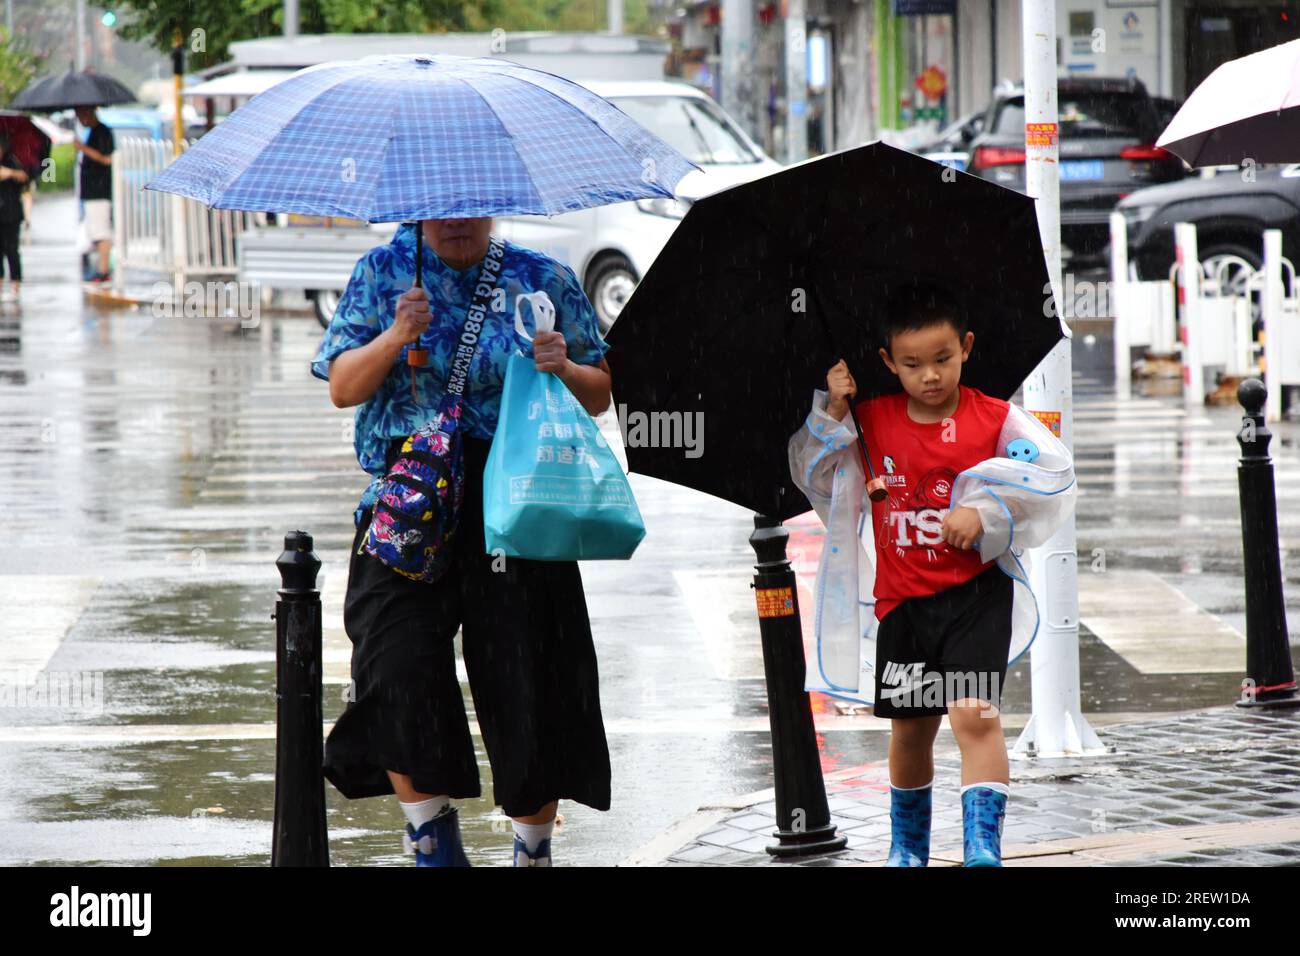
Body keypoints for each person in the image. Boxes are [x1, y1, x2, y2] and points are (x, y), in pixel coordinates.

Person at [312, 217, 614, 867]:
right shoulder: (382, 272)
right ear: (418, 210)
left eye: (471, 207)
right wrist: (397, 334)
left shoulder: (540, 277)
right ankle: (431, 836)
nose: (456, 223)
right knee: (395, 664)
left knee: (530, 677)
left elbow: (600, 391)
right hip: (412, 497)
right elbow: (343, 386)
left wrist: (561, 366)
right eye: (441, 210)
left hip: (518, 499)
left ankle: (533, 849)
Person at [788, 281, 1076, 867]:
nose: (930, 376)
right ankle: (908, 848)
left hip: (977, 596)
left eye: (943, 359)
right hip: (904, 605)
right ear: (887, 362)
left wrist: (986, 511)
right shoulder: (868, 423)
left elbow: (1049, 480)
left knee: (974, 715)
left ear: (966, 347)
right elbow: (814, 476)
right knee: (912, 730)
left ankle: (981, 848)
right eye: (912, 364)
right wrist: (834, 410)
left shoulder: (997, 419)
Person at [73, 106, 114, 283]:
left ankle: (103, 270)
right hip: (91, 192)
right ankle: (101, 269)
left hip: (99, 191)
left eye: (81, 115)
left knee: (101, 232)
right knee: (94, 232)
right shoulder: (92, 132)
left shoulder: (102, 132)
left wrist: (82, 148)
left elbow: (107, 158)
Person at [0, 132, 29, 301]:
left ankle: (15, 284)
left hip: (11, 212)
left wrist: (9, 173)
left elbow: (26, 177)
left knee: (11, 249)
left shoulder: (14, 160)